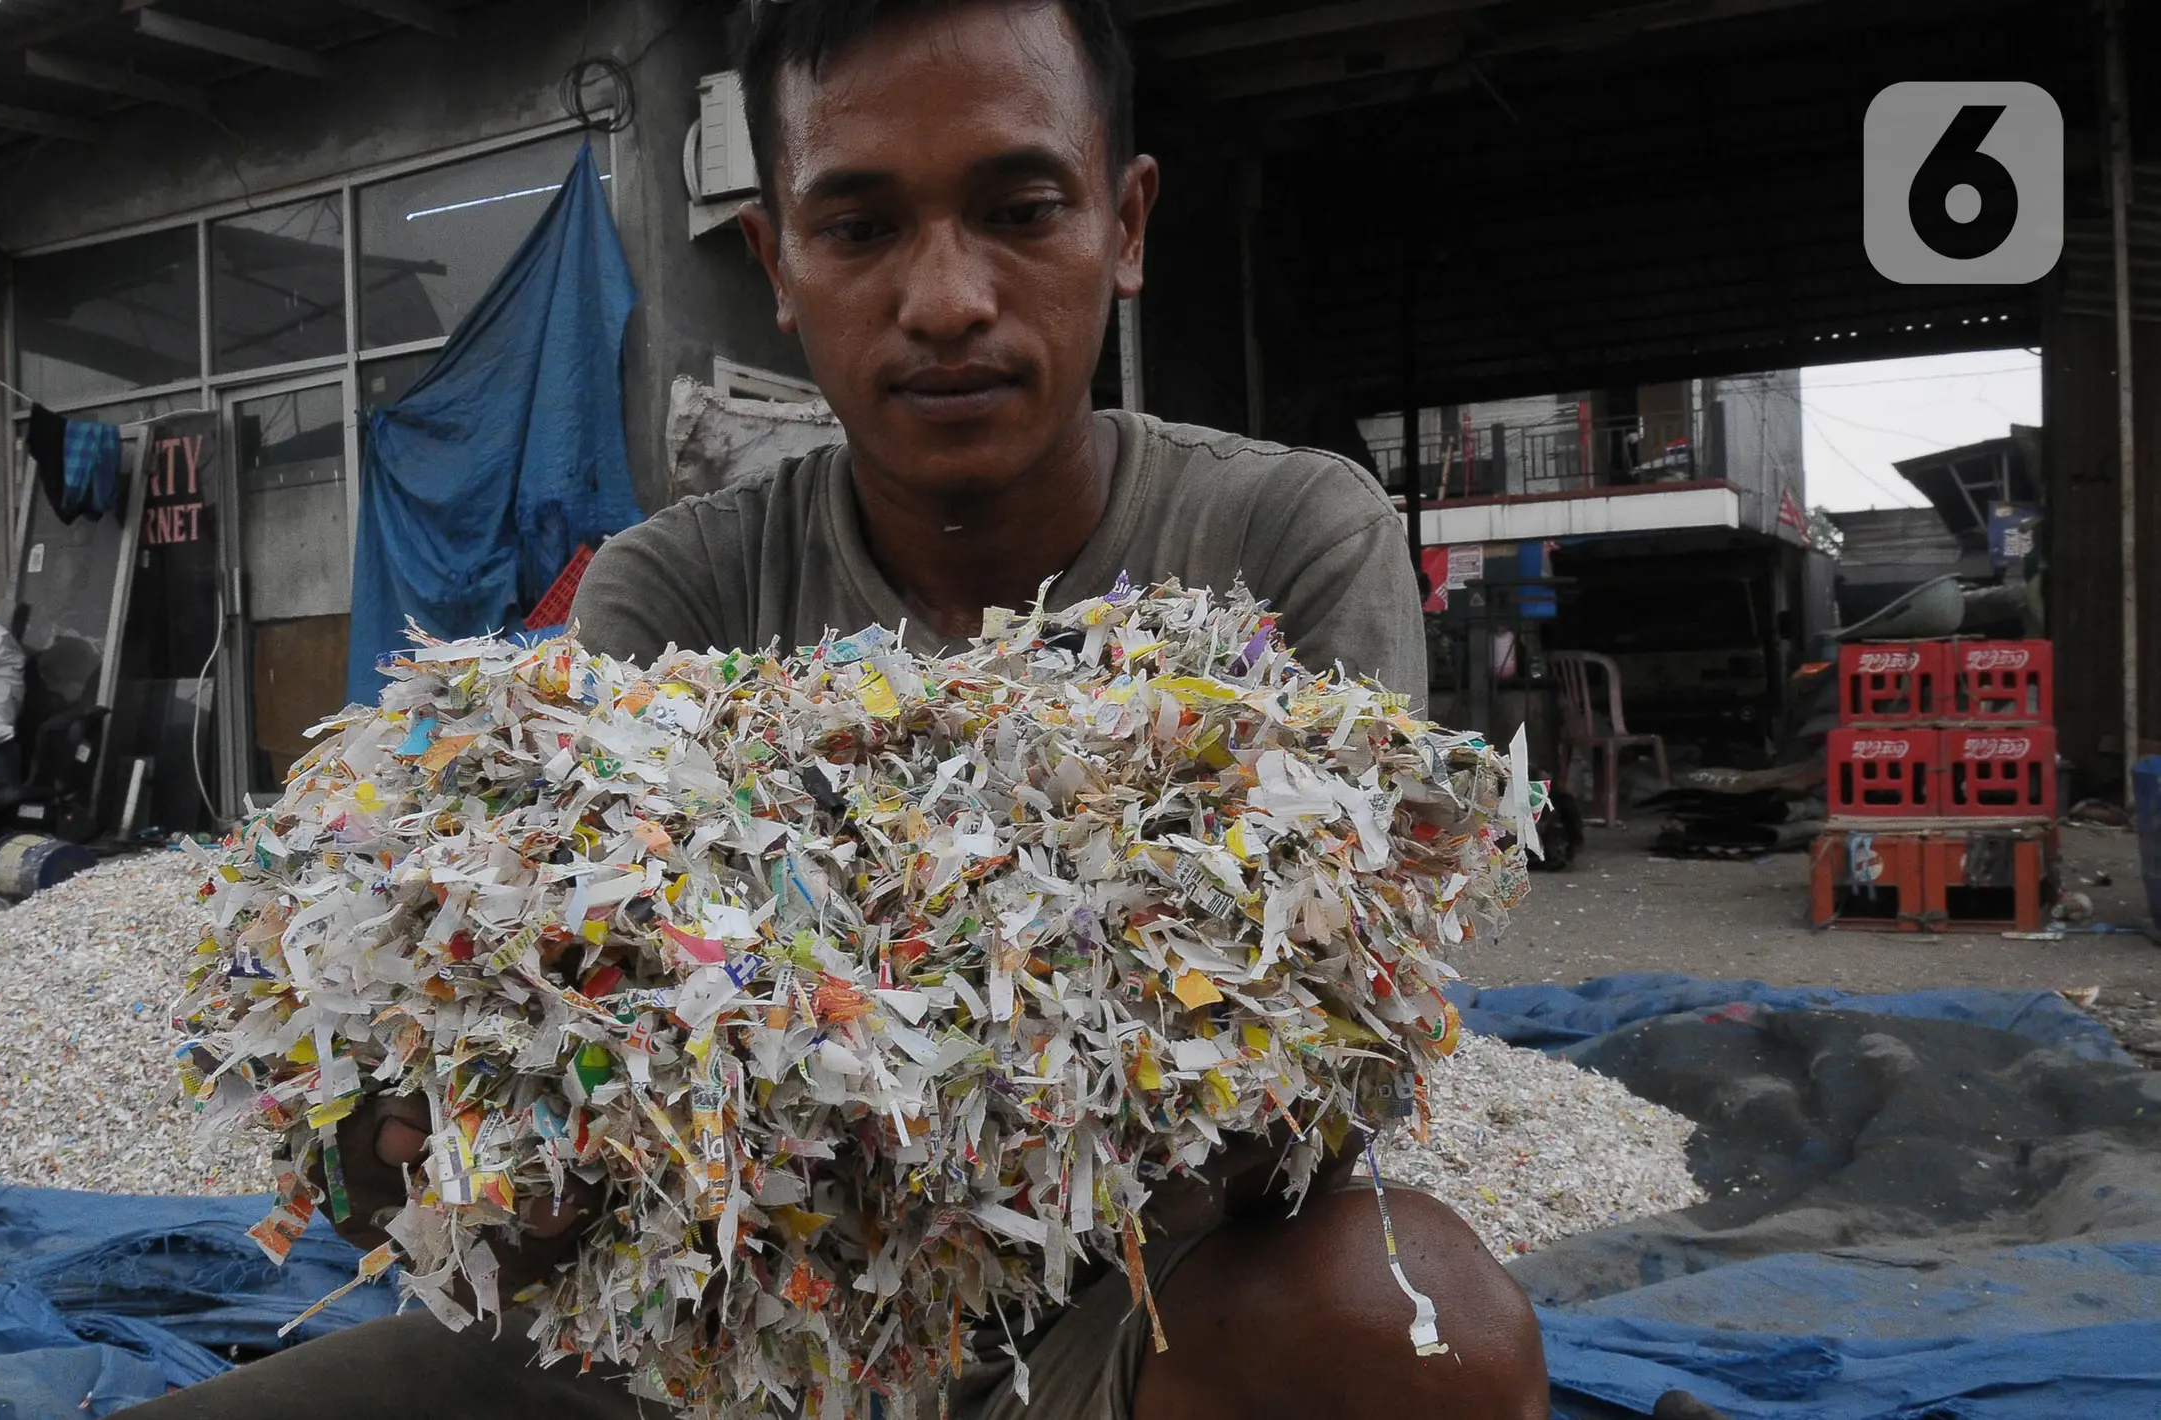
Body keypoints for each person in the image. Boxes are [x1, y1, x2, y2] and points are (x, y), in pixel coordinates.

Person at [134, 3, 1546, 1417]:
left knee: (1413, 1334)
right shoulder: (673, 596)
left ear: (1122, 227)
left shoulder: (1284, 542)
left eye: (1019, 208)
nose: (943, 300)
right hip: (721, 1344)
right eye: (860, 229)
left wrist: (1029, 1069)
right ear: (777, 264)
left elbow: (1313, 1096)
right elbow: (529, 1143)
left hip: (1112, 1318)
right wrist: (448, 1156)